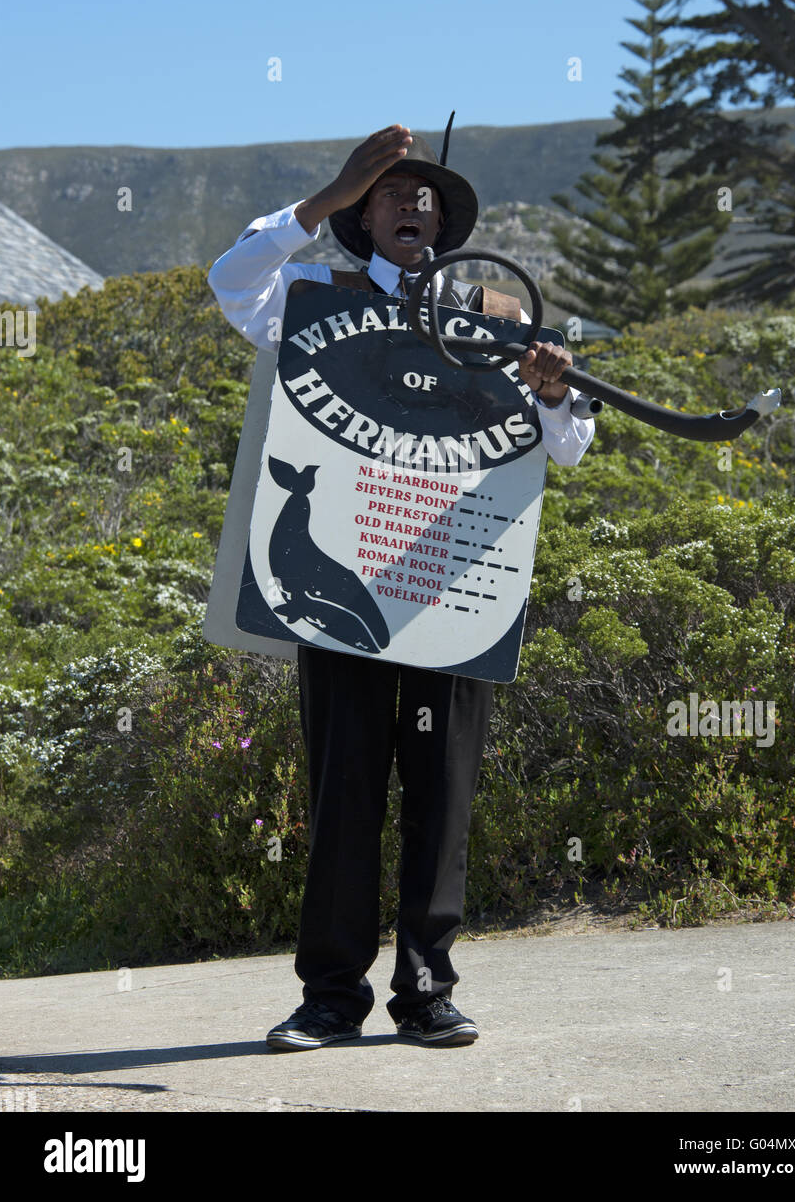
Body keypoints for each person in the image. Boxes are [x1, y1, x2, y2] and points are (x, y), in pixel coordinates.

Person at [206, 120, 595, 1049]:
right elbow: (232, 281)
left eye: (423, 195)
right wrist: (323, 194)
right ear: (360, 216)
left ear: (445, 221)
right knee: (343, 792)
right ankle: (330, 996)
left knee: (441, 791)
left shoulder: (498, 315)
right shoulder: (311, 293)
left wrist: (548, 392)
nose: (409, 202)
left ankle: (425, 991)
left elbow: (572, 445)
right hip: (340, 583)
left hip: (452, 589)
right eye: (387, 191)